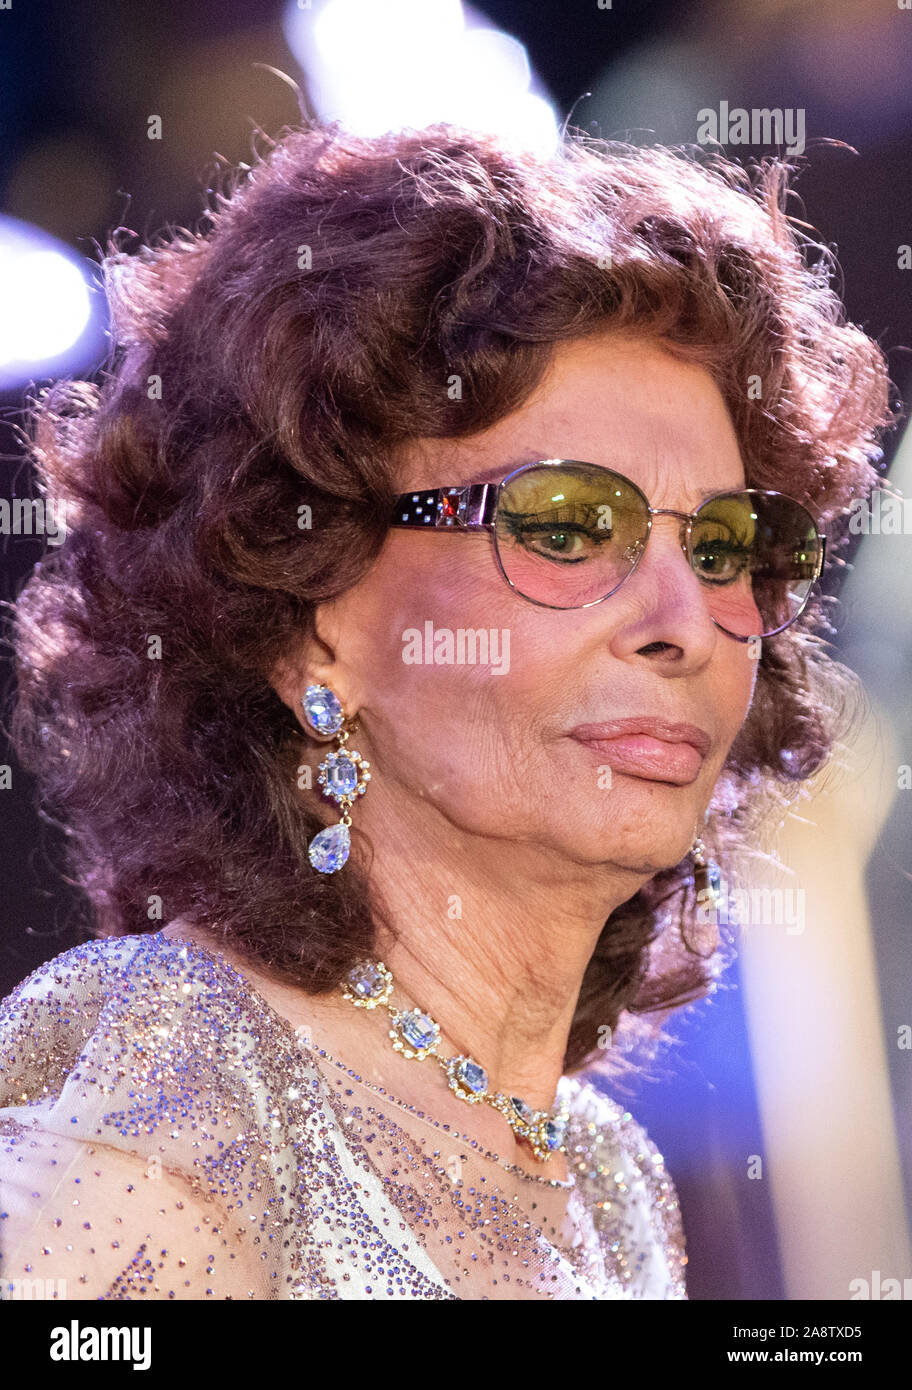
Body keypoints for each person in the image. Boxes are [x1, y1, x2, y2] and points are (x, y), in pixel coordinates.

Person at [0, 119, 891, 1300]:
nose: (684, 617)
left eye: (729, 545)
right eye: (568, 525)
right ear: (315, 617)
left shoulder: (610, 1182)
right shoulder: (180, 1082)